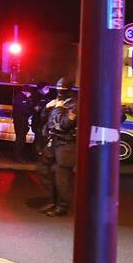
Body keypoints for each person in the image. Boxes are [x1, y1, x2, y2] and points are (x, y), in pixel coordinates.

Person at [37, 77, 78, 217]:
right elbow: (44, 119)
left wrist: (59, 108)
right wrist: (47, 108)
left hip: (66, 144)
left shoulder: (74, 104)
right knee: (43, 168)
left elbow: (65, 124)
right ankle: (52, 200)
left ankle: (62, 206)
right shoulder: (57, 102)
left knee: (61, 174)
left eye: (63, 88)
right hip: (53, 141)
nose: (60, 90)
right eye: (58, 87)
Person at [12, 84, 35, 162]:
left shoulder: (22, 98)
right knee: (20, 140)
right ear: (26, 91)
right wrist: (32, 110)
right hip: (20, 121)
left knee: (21, 139)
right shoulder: (20, 98)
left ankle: (19, 156)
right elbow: (24, 110)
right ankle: (17, 157)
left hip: (22, 121)